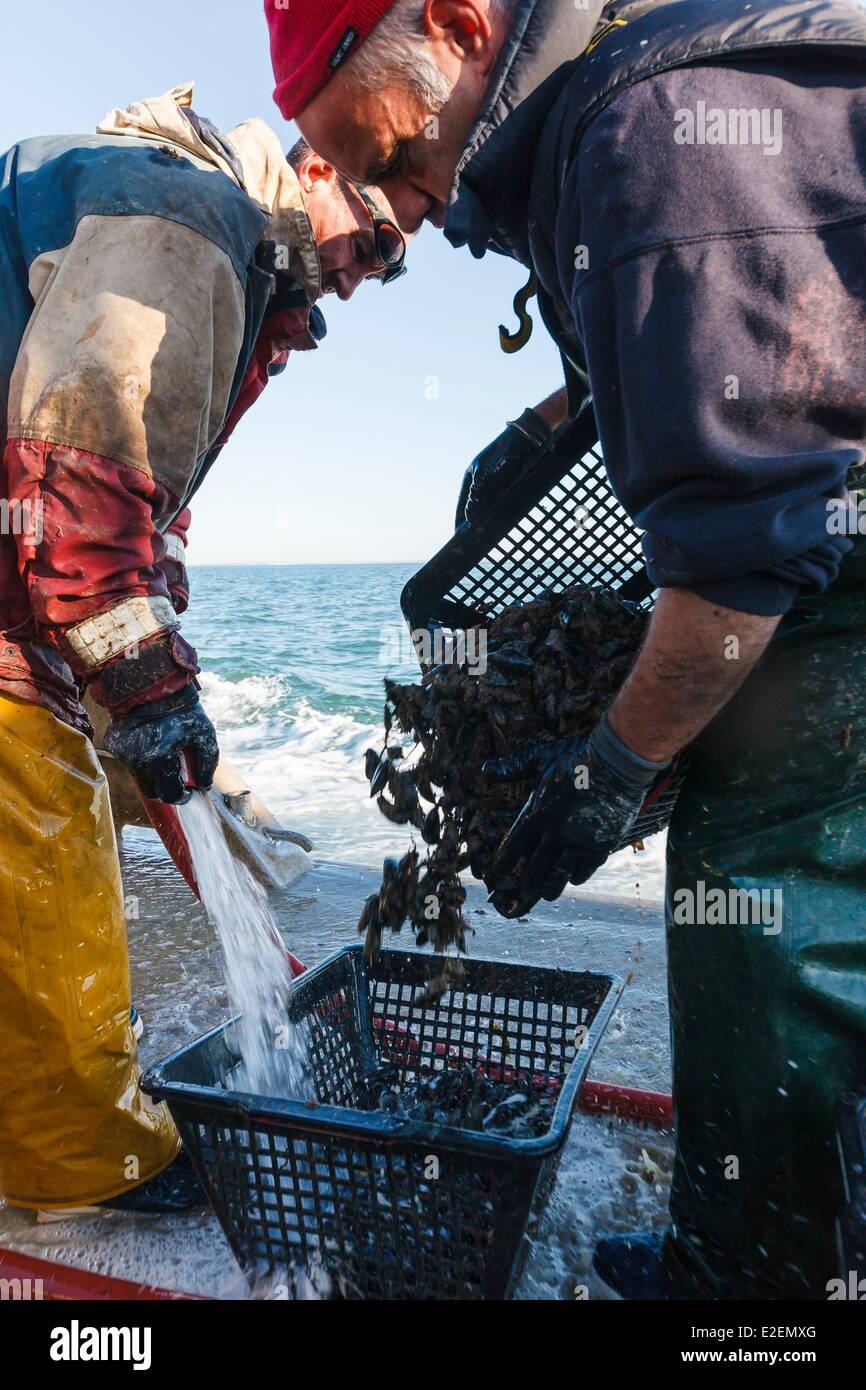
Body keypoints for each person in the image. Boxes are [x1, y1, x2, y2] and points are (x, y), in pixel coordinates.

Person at [265, 0, 866, 1298]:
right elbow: (730, 320)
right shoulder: (605, 101)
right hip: (824, 520)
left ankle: (761, 1288)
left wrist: (604, 769)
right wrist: (556, 417)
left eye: (373, 158)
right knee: (760, 870)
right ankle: (778, 1235)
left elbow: (738, 555)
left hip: (828, 549)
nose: (395, 212)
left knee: (769, 881)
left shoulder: (644, 126)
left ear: (450, 24)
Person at [0, 80, 407, 1213]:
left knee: (163, 763)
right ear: (316, 167)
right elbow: (80, 475)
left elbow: (119, 498)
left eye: (390, 262)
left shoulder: (197, 225)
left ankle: (258, 957)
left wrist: (150, 667)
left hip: (26, 556)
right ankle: (80, 1160)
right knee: (37, 818)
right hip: (14, 579)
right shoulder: (186, 213)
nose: (372, 266)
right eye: (375, 236)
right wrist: (139, 679)